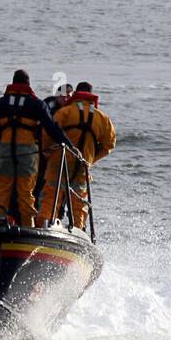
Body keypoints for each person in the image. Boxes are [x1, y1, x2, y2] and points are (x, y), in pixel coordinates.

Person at [0, 70, 77, 227]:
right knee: (25, 191)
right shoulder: (37, 104)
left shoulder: (0, 103)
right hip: (28, 153)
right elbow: (52, 127)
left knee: (1, 188)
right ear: (28, 84)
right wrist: (69, 145)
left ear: (13, 83)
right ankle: (29, 225)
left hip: (4, 151)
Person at [39, 81, 116, 229]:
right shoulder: (103, 119)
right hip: (83, 165)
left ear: (75, 95)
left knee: (50, 197)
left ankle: (44, 226)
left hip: (58, 162)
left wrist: (47, 152)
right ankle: (78, 230)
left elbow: (47, 134)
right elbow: (109, 145)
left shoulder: (65, 112)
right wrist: (91, 159)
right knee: (79, 203)